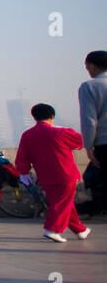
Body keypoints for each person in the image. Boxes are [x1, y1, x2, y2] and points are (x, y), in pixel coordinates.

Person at [15, 103, 90, 243]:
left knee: (62, 203)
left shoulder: (27, 135)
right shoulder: (60, 132)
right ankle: (52, 229)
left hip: (45, 177)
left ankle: (80, 230)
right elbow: (81, 141)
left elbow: (22, 158)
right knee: (62, 203)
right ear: (52, 116)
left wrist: (23, 173)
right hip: (65, 174)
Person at [79, 50, 107, 216]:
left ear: (92, 66)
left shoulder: (89, 86)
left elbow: (89, 120)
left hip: (103, 143)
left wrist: (88, 146)